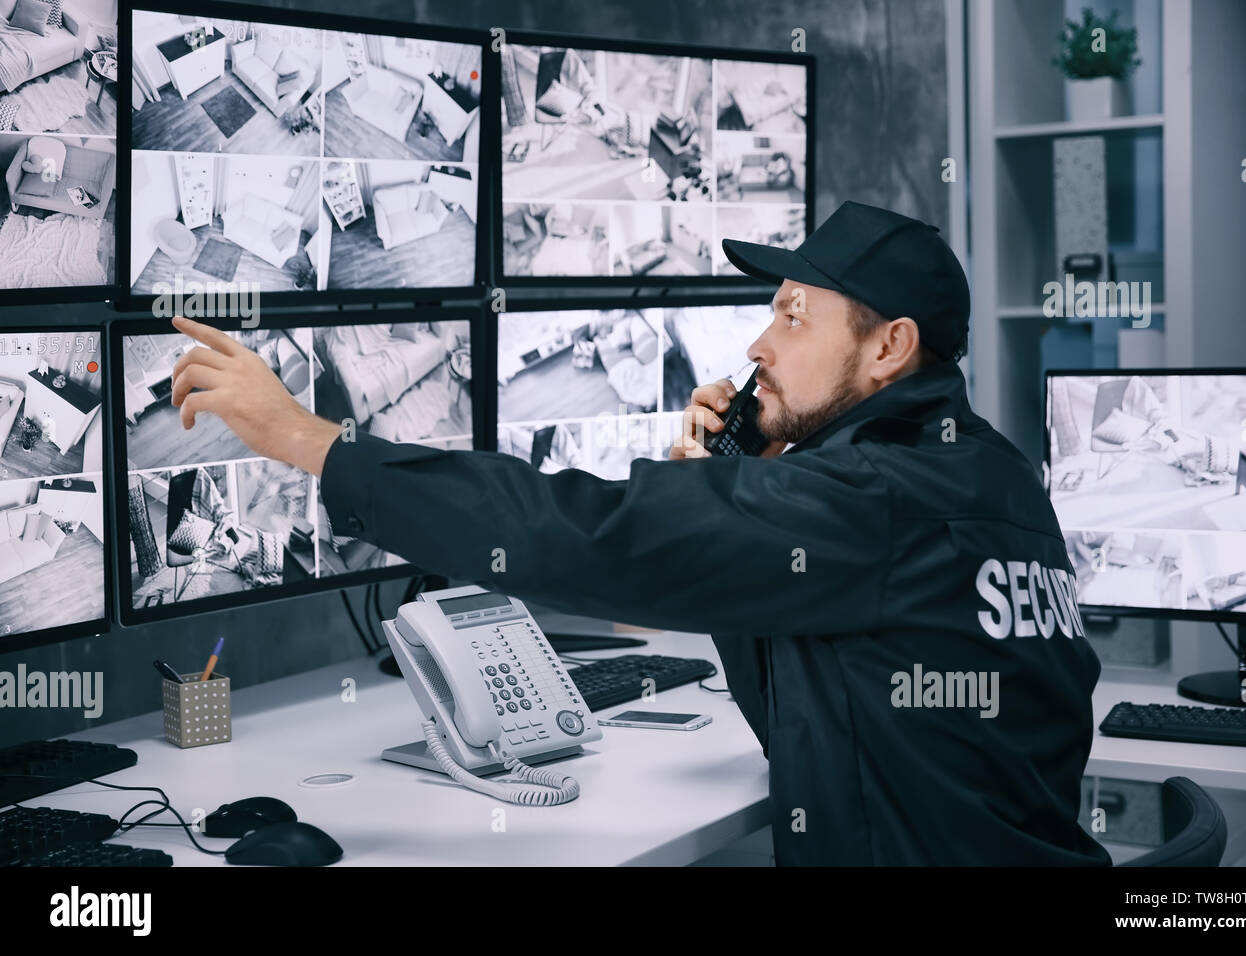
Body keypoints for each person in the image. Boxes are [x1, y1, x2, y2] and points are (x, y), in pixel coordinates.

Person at [168, 200, 1111, 866]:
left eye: (792, 315)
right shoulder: (988, 471)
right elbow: (804, 711)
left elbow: (583, 533)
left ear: (889, 348)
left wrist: (312, 441)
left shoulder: (870, 498)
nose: (757, 346)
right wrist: (741, 489)